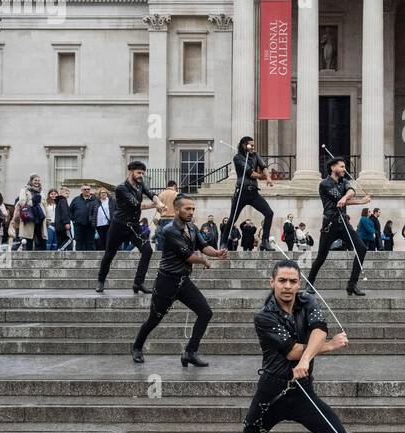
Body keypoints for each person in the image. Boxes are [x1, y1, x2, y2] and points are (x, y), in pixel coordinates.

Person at [213, 259, 356, 433]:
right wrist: (330, 346)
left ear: (299, 283)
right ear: (272, 282)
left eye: (292, 281)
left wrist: (309, 357)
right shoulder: (264, 316)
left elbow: (318, 330)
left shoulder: (307, 301)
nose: (288, 286)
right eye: (282, 281)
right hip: (272, 394)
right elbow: (291, 351)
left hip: (302, 392)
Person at [132, 195, 227, 367]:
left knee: (206, 312)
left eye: (193, 209)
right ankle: (137, 346)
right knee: (154, 319)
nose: (191, 212)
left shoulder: (192, 227)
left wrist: (217, 253)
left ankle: (190, 352)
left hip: (183, 282)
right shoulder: (169, 230)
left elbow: (204, 246)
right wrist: (205, 261)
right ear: (176, 210)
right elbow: (189, 256)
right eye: (187, 209)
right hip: (166, 283)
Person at [306, 156, 371, 295]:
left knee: (361, 248)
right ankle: (309, 283)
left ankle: (352, 285)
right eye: (341, 166)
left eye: (344, 166)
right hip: (330, 224)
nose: (344, 169)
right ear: (332, 168)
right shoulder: (324, 184)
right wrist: (361, 202)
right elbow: (337, 199)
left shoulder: (344, 181)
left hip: (343, 223)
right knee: (321, 256)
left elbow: (352, 190)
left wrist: (345, 196)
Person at [95, 161, 163, 294]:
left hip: (134, 226)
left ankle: (138, 283)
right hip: (119, 226)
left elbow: (151, 193)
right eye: (138, 173)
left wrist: (158, 201)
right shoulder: (121, 188)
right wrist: (156, 206)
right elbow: (136, 205)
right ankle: (101, 280)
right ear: (130, 172)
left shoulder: (140, 184)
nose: (141, 175)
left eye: (143, 173)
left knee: (147, 250)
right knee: (109, 254)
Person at [227, 137, 277, 251]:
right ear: (244, 145)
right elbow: (251, 173)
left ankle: (265, 241)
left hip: (253, 192)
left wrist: (268, 177)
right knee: (232, 219)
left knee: (269, 213)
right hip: (242, 192)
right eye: (251, 145)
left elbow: (263, 167)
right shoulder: (238, 158)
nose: (253, 147)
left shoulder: (255, 155)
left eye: (254, 145)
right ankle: (224, 242)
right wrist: (263, 177)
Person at [68, 184, 98, 251]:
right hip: (78, 225)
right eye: (85, 189)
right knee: (79, 242)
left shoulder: (95, 199)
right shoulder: (76, 199)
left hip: (90, 225)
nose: (87, 190)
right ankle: (78, 259)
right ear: (81, 190)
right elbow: (70, 211)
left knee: (90, 242)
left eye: (88, 189)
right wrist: (74, 220)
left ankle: (90, 259)